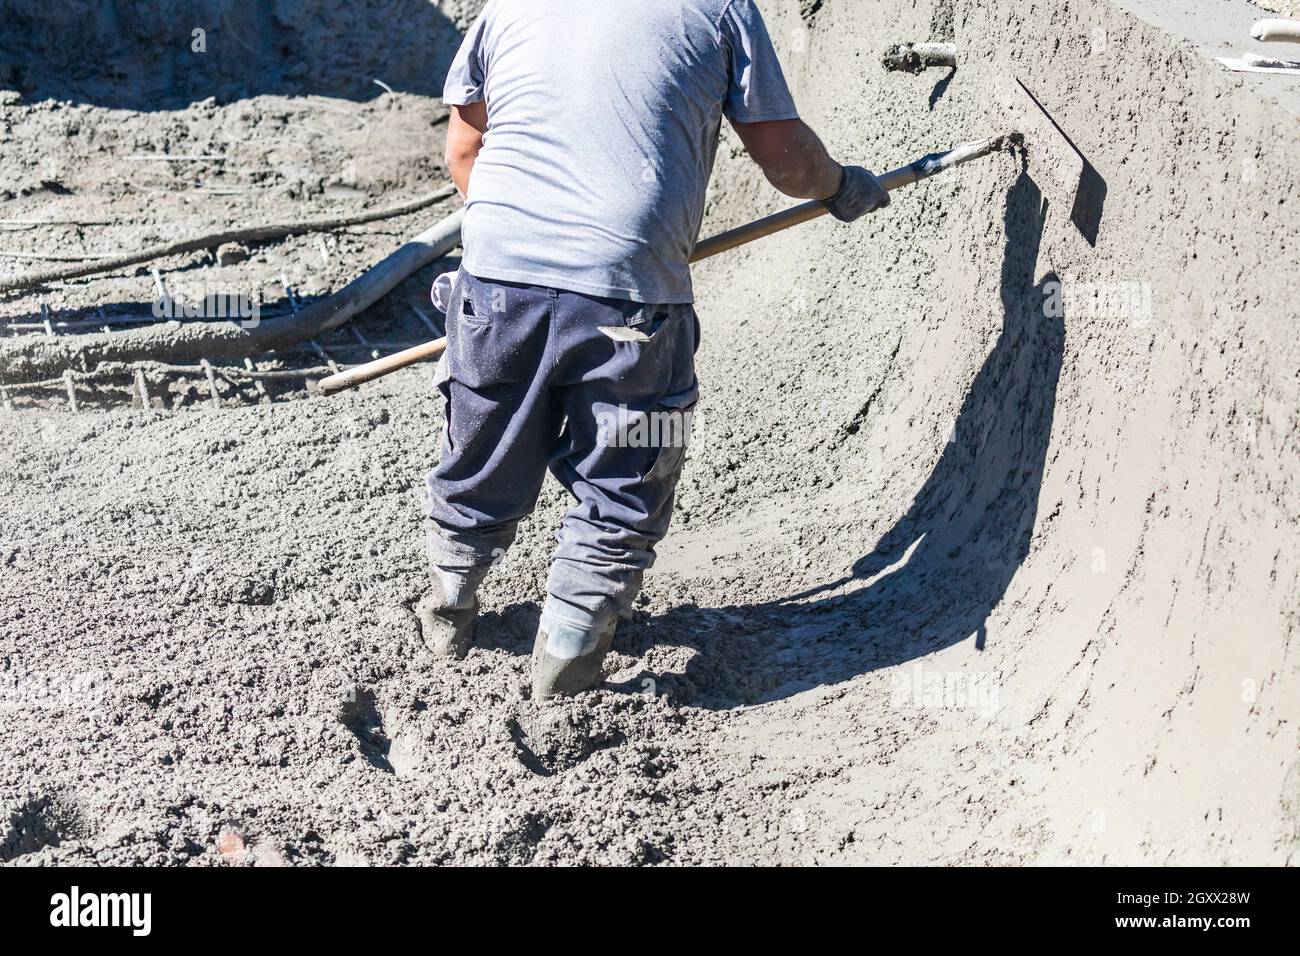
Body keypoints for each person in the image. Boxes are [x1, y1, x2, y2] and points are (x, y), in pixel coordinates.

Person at [419, 0, 890, 698]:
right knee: (626, 469)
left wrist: (529, 255)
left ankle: (451, 603)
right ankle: (566, 664)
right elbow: (784, 156)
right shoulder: (717, 7)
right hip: (628, 289)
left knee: (487, 436)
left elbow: (465, 153)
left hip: (495, 281)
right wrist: (840, 185)